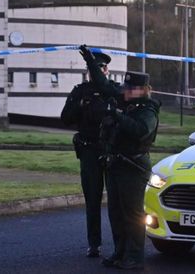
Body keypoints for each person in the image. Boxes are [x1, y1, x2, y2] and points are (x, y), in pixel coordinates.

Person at [79, 46, 159, 270]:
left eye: (130, 87)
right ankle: (120, 252)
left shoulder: (148, 109)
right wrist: (91, 63)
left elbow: (140, 130)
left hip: (133, 166)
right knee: (115, 212)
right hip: (116, 164)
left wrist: (117, 115)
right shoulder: (126, 100)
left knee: (133, 214)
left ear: (141, 90)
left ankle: (135, 256)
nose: (124, 90)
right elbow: (104, 85)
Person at [61, 50, 119, 258]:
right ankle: (94, 244)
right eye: (95, 68)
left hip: (111, 150)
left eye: (102, 68)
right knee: (92, 199)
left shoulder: (112, 91)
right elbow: (65, 118)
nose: (98, 72)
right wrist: (79, 106)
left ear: (106, 70)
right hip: (89, 151)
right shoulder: (80, 91)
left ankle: (119, 245)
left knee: (115, 200)